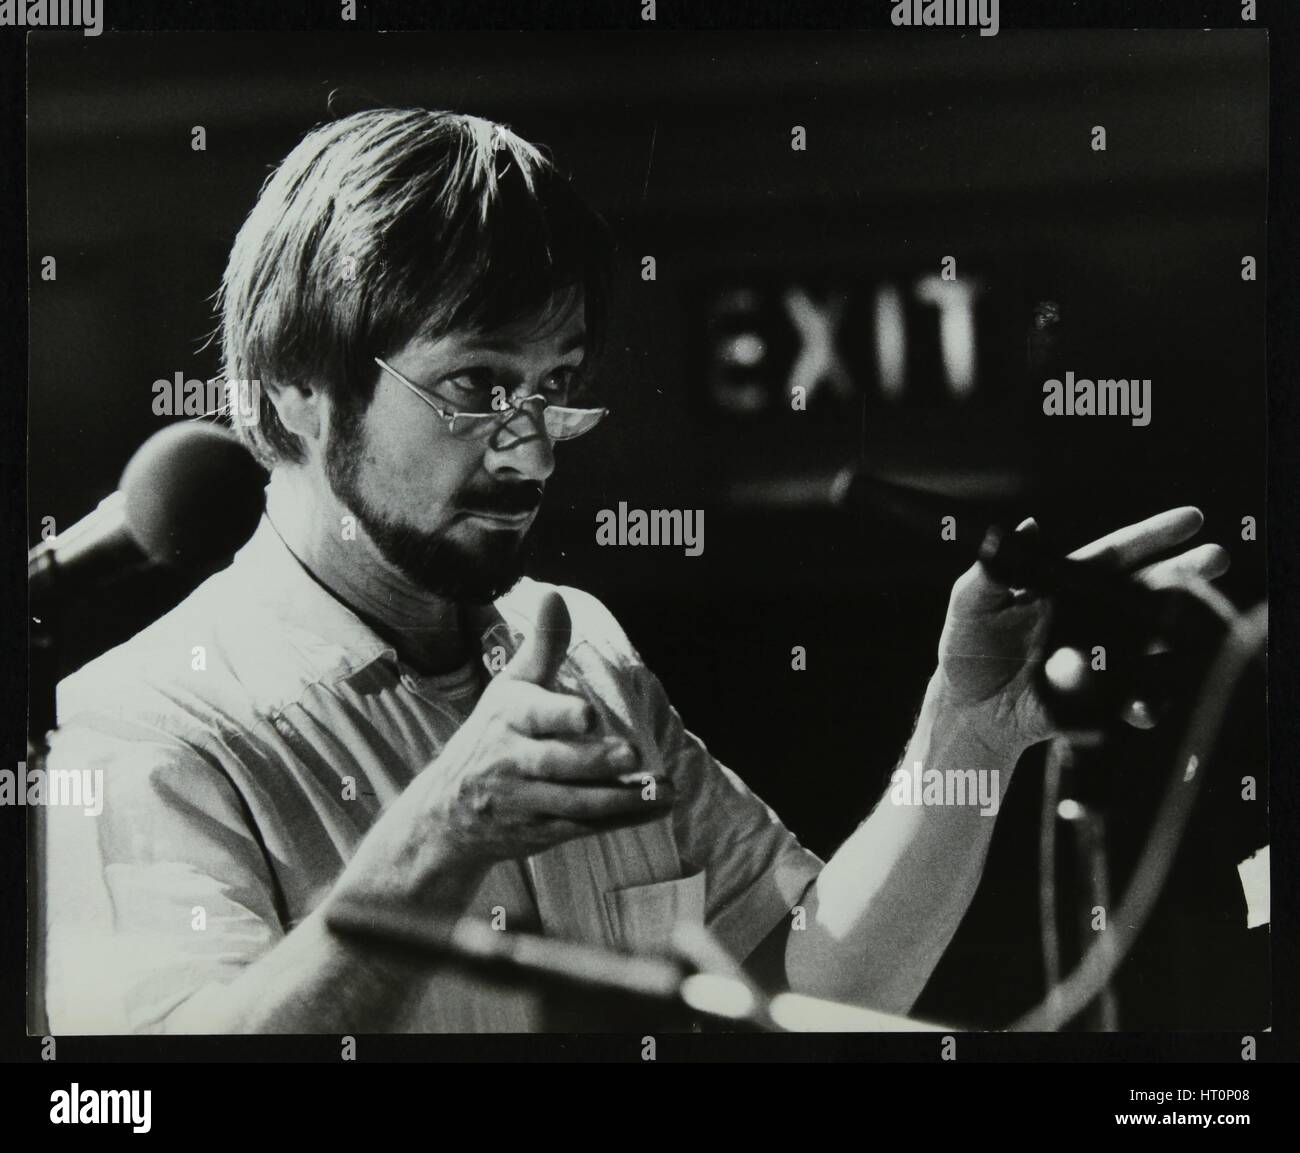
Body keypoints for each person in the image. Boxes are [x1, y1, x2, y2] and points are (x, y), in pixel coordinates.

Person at [41, 108, 1228, 1033]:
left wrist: (967, 733)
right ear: (294, 390)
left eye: (554, 386)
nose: (527, 444)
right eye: (473, 385)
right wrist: (435, 842)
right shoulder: (147, 729)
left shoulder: (577, 641)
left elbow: (807, 983)